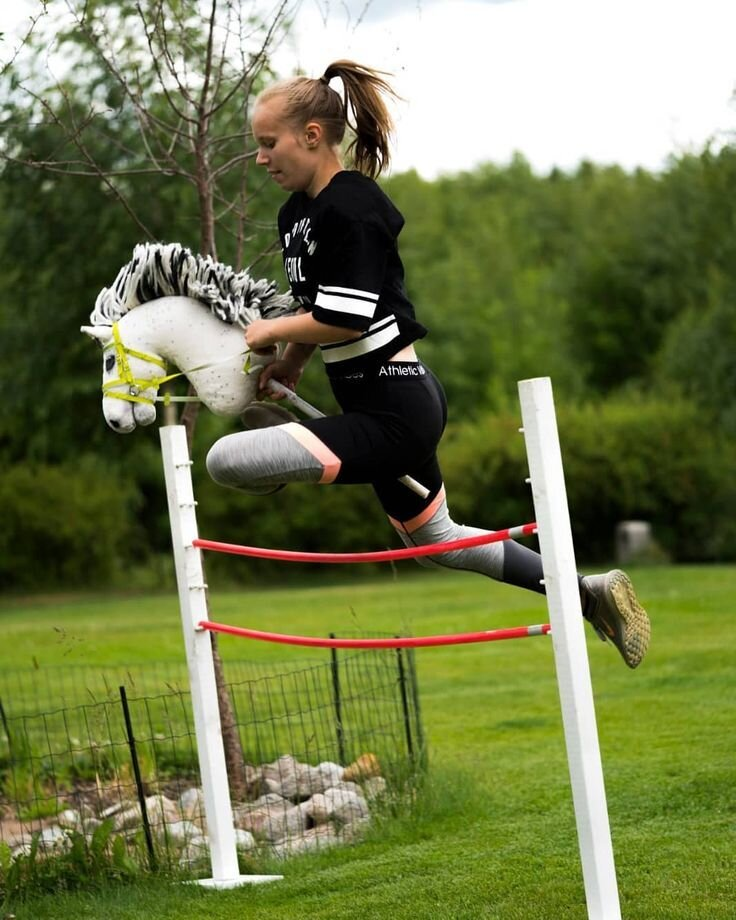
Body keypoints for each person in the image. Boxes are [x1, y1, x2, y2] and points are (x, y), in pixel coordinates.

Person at [206, 60, 651, 669]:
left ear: (312, 135)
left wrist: (270, 329)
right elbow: (320, 308)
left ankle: (281, 456)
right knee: (437, 542)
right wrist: (290, 363)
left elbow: (350, 317)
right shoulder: (295, 218)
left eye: (267, 143)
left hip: (397, 407)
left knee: (225, 460)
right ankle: (586, 592)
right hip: (369, 405)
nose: (260, 158)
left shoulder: (355, 204)